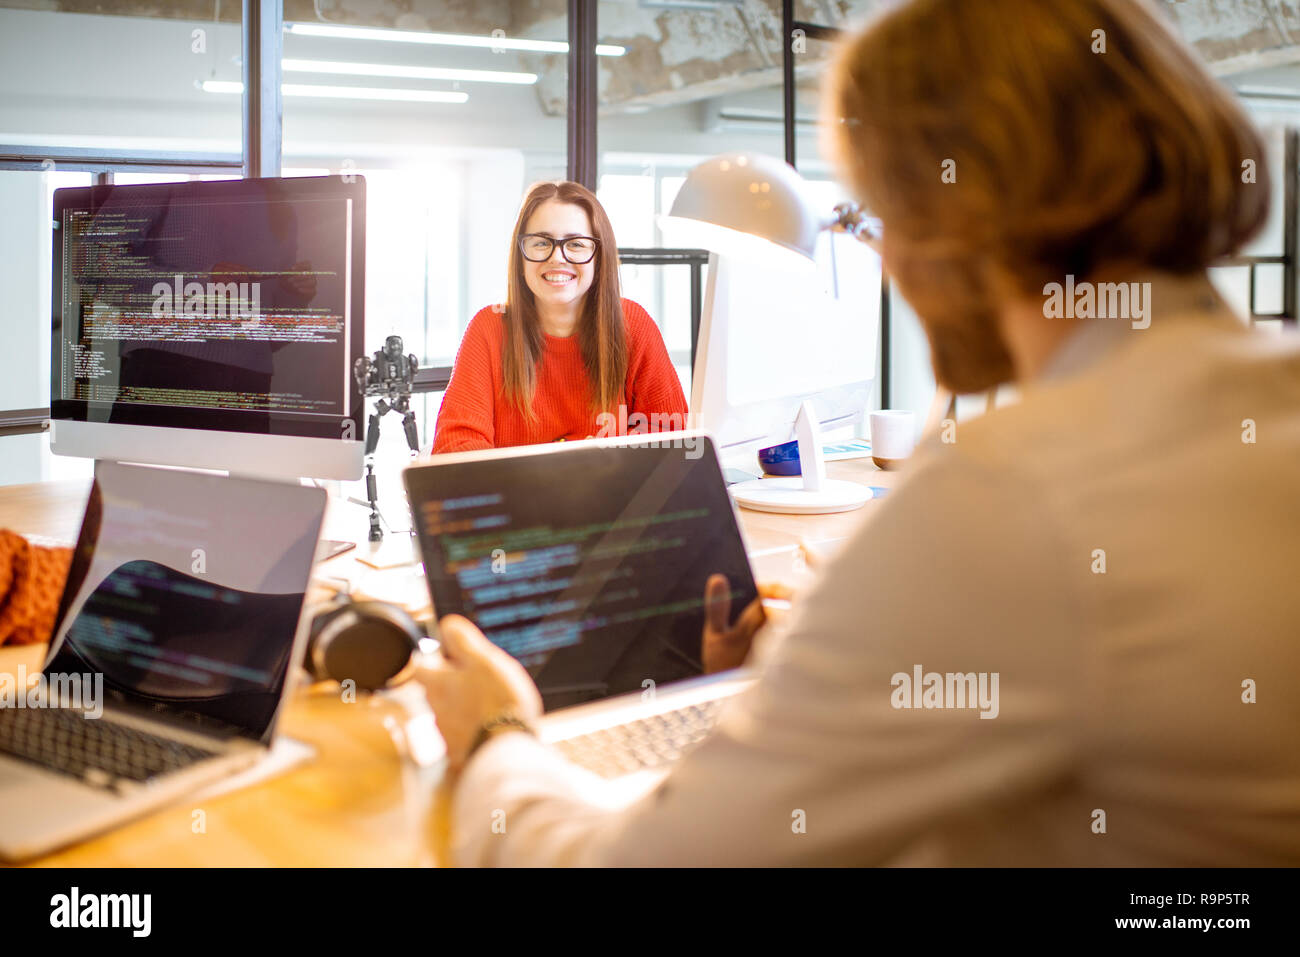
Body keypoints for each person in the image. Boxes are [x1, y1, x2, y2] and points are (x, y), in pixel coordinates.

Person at [415, 0, 1300, 865]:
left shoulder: (1003, 493)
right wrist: (832, 664)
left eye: (875, 215)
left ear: (962, 211)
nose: (883, 260)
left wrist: (497, 731)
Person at [431, 181, 688, 452]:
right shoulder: (489, 328)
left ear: (599, 258)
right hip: (518, 496)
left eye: (576, 244)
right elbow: (455, 446)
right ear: (520, 257)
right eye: (541, 242)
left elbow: (671, 437)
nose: (557, 257)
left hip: (613, 495)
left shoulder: (632, 323)